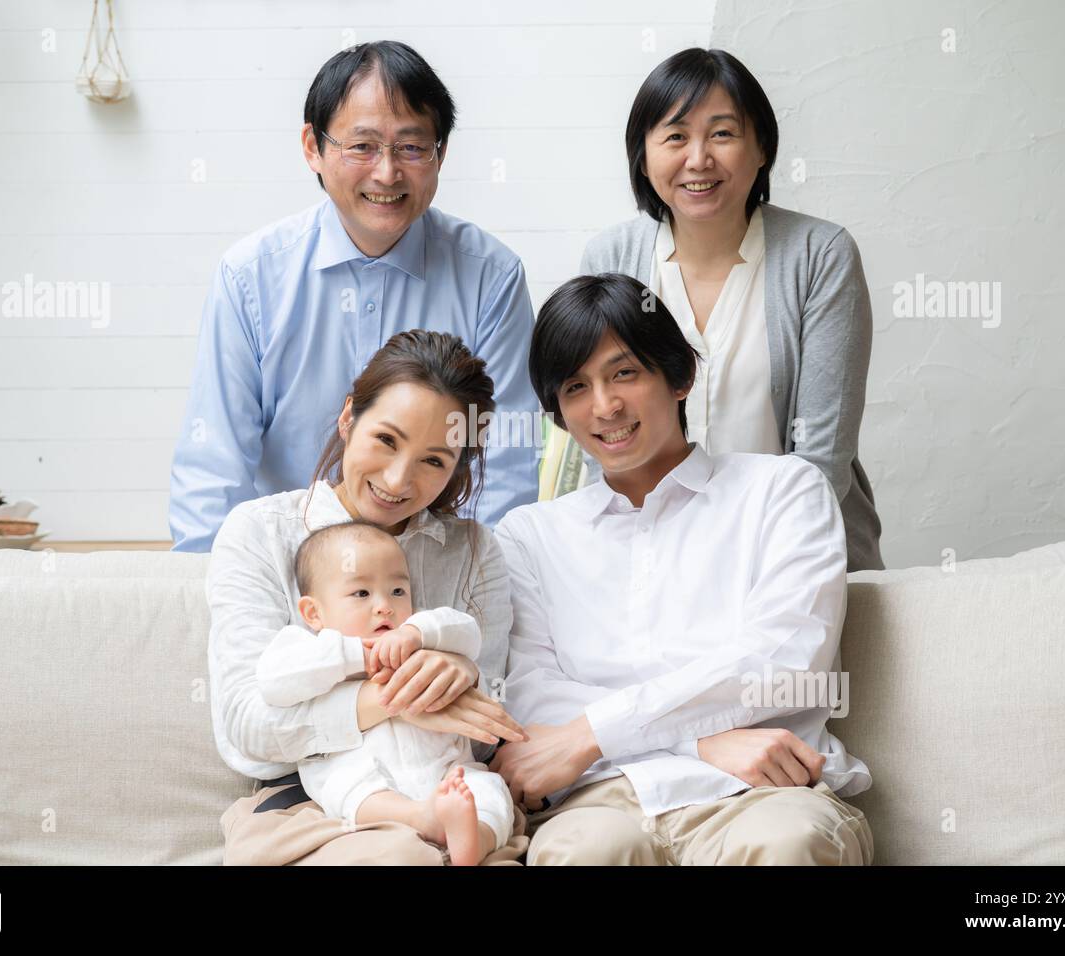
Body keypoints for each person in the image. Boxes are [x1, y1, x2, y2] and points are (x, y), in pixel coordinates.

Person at [491, 274, 874, 866]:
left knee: (788, 845)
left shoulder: (783, 490)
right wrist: (703, 739)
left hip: (758, 792)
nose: (605, 405)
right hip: (602, 799)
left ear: (680, 376)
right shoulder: (529, 535)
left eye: (624, 373)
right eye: (576, 386)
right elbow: (531, 699)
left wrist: (592, 732)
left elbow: (782, 662)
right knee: (583, 853)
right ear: (558, 413)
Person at [169, 40, 540, 553]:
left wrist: (480, 588)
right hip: (286, 564)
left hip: (430, 573)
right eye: (362, 146)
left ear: (441, 154)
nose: (387, 173)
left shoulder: (491, 277)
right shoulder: (250, 277)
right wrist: (215, 592)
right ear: (313, 148)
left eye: (411, 147)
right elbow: (214, 463)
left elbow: (504, 461)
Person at [211, 330, 528, 865]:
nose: (398, 479)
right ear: (347, 418)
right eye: (386, 439)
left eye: (434, 460)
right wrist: (393, 701)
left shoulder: (473, 552)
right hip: (312, 797)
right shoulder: (261, 532)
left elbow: (484, 732)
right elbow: (246, 727)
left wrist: (463, 674)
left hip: (441, 784)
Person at [580, 47, 883, 571]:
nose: (698, 159)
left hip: (790, 555)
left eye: (722, 133)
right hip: (645, 556)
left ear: (762, 147)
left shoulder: (819, 255)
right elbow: (599, 434)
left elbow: (822, 456)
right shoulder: (611, 259)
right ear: (644, 154)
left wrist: (746, 565)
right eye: (675, 136)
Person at [254, 520, 515, 865]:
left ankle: (474, 841)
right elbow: (274, 681)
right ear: (313, 613)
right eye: (361, 593)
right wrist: (357, 653)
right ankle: (420, 818)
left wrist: (416, 634)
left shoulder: (419, 628)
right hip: (364, 776)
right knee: (345, 785)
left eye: (397, 591)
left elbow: (467, 633)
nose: (384, 606)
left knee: (489, 792)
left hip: (445, 774)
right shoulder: (309, 648)